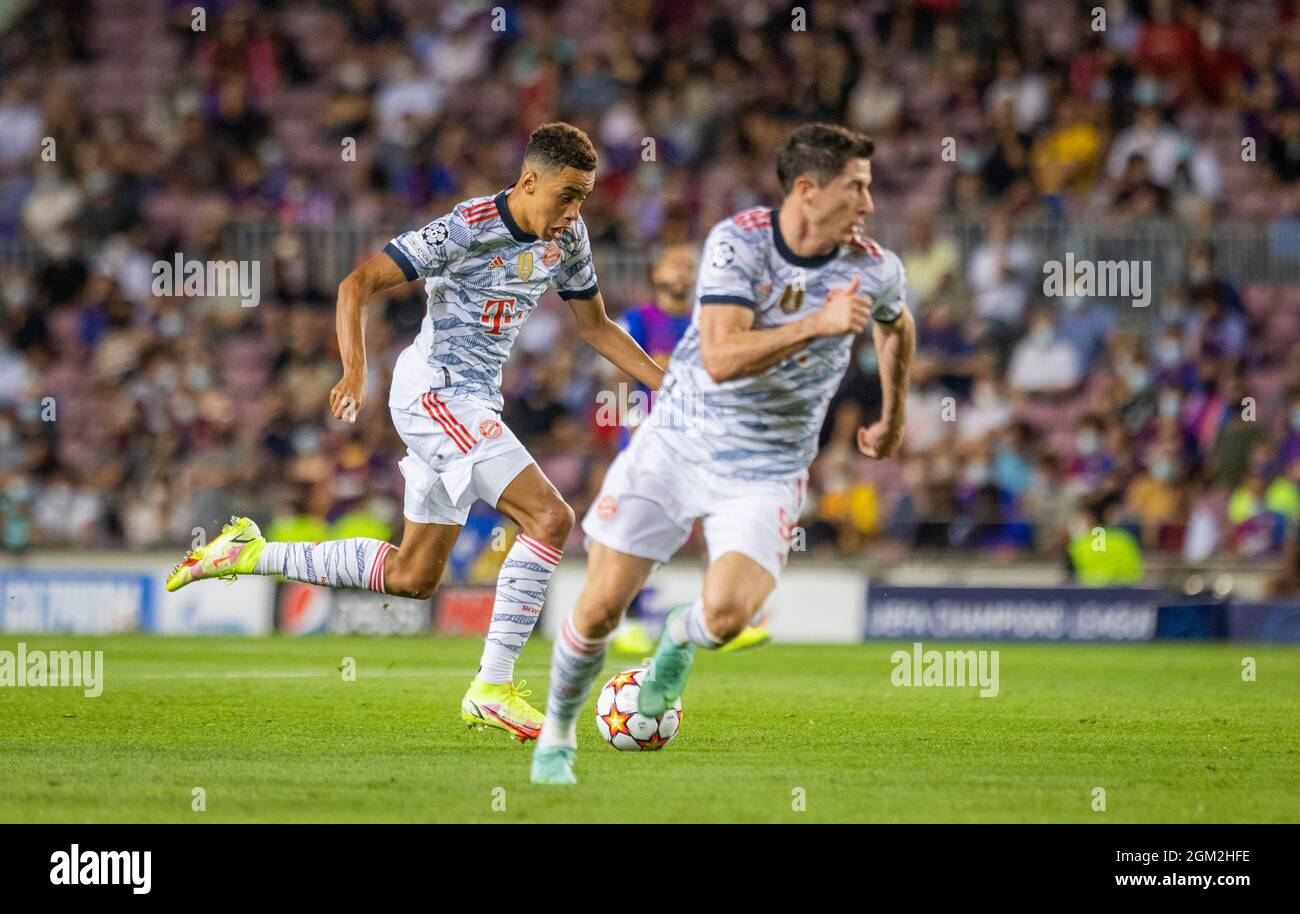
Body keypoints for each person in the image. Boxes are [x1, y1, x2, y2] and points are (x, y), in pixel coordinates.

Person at [163, 122, 664, 742]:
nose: (574, 211)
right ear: (529, 181)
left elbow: (597, 326)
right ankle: (493, 687)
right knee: (551, 520)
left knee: (413, 576)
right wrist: (353, 371)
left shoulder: (569, 239)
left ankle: (246, 552)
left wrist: (661, 380)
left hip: (473, 400)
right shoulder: (466, 226)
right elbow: (357, 283)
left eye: (583, 197)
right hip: (435, 391)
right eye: (566, 195)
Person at [531, 123, 915, 784]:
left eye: (869, 188)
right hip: (677, 442)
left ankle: (677, 640)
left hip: (766, 468)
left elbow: (896, 325)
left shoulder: (875, 267)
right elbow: (718, 356)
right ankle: (557, 736)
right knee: (596, 611)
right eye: (856, 188)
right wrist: (819, 324)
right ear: (807, 190)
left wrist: (892, 413)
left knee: (729, 616)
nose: (868, 204)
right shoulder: (738, 243)